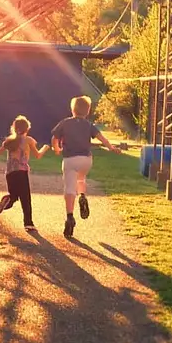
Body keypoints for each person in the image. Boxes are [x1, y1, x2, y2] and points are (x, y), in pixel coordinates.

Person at [49, 95, 118, 239]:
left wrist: (56, 149)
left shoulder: (65, 123)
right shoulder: (88, 125)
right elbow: (101, 138)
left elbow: (54, 138)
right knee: (81, 178)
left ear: (72, 109)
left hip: (70, 159)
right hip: (86, 160)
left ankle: (69, 217)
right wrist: (111, 147)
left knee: (69, 188)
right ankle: (82, 195)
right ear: (87, 111)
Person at [0, 114, 45, 234]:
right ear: (27, 129)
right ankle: (28, 223)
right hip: (22, 173)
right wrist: (45, 148)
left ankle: (7, 199)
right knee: (25, 198)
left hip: (10, 173)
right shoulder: (29, 140)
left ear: (14, 128)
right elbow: (38, 155)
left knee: (14, 196)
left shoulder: (9, 141)